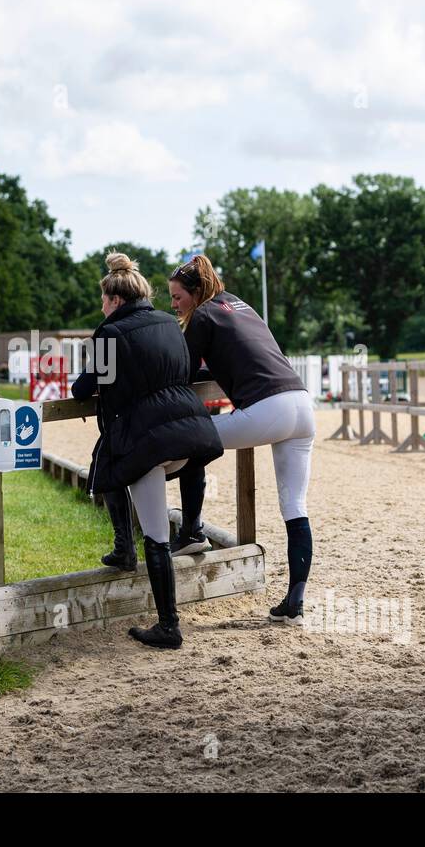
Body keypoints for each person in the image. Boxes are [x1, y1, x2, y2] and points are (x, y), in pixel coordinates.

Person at [72, 252, 223, 649]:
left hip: (147, 441)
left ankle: (169, 625)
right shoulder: (169, 323)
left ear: (116, 300)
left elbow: (81, 390)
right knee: (107, 463)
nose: (102, 308)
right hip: (189, 433)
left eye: (104, 302)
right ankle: (180, 531)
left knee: (154, 533)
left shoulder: (107, 333)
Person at [166, 255, 315, 626]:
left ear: (195, 292)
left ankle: (191, 531)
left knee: (191, 440)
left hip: (268, 410)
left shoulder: (202, 316)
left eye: (176, 296)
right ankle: (294, 602)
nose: (173, 304)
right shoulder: (242, 305)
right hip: (302, 404)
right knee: (295, 507)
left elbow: (183, 371)